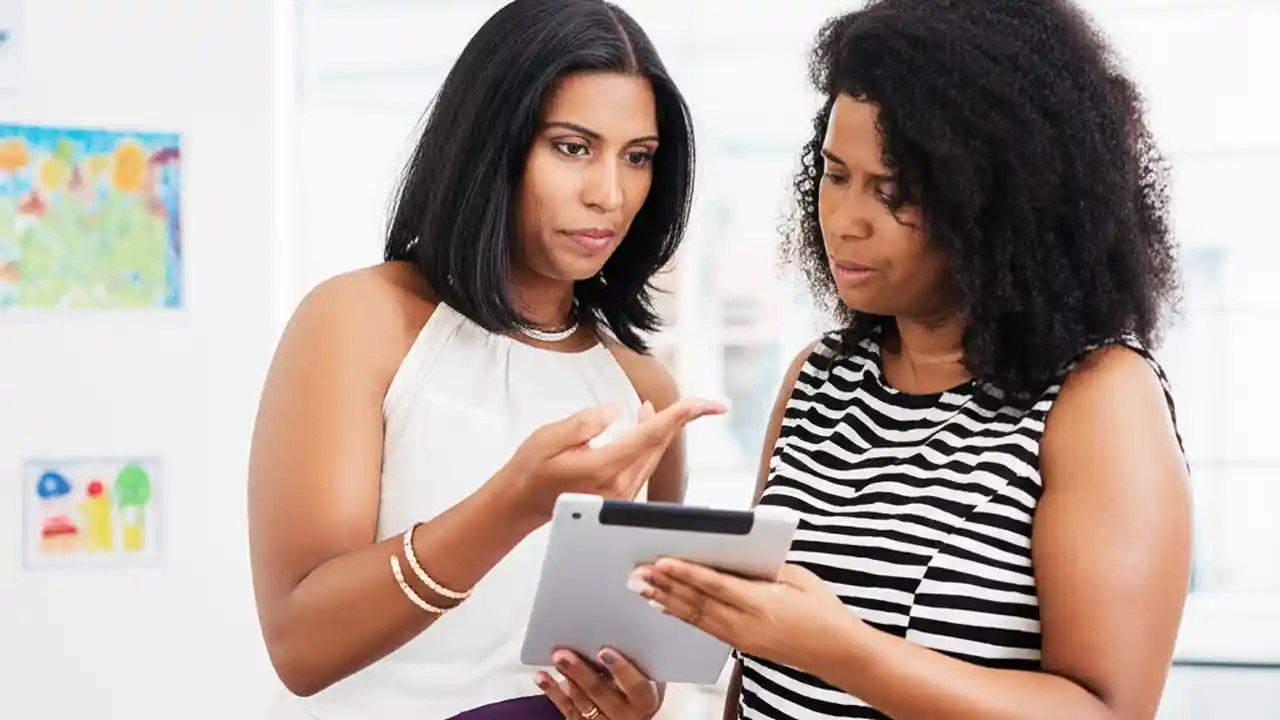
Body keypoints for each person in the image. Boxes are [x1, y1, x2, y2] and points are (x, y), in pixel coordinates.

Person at [625, 1, 1192, 718]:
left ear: (1000, 205)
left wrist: (840, 650)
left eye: (893, 193)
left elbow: (1105, 712)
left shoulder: (1096, 398)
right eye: (835, 174)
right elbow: (763, 683)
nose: (846, 219)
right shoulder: (818, 381)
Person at [247, 1, 723, 718]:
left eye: (638, 157)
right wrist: (514, 504)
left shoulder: (641, 384)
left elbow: (628, 656)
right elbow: (300, 648)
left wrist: (634, 699)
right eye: (572, 147)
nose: (610, 194)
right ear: (491, 142)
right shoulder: (361, 322)